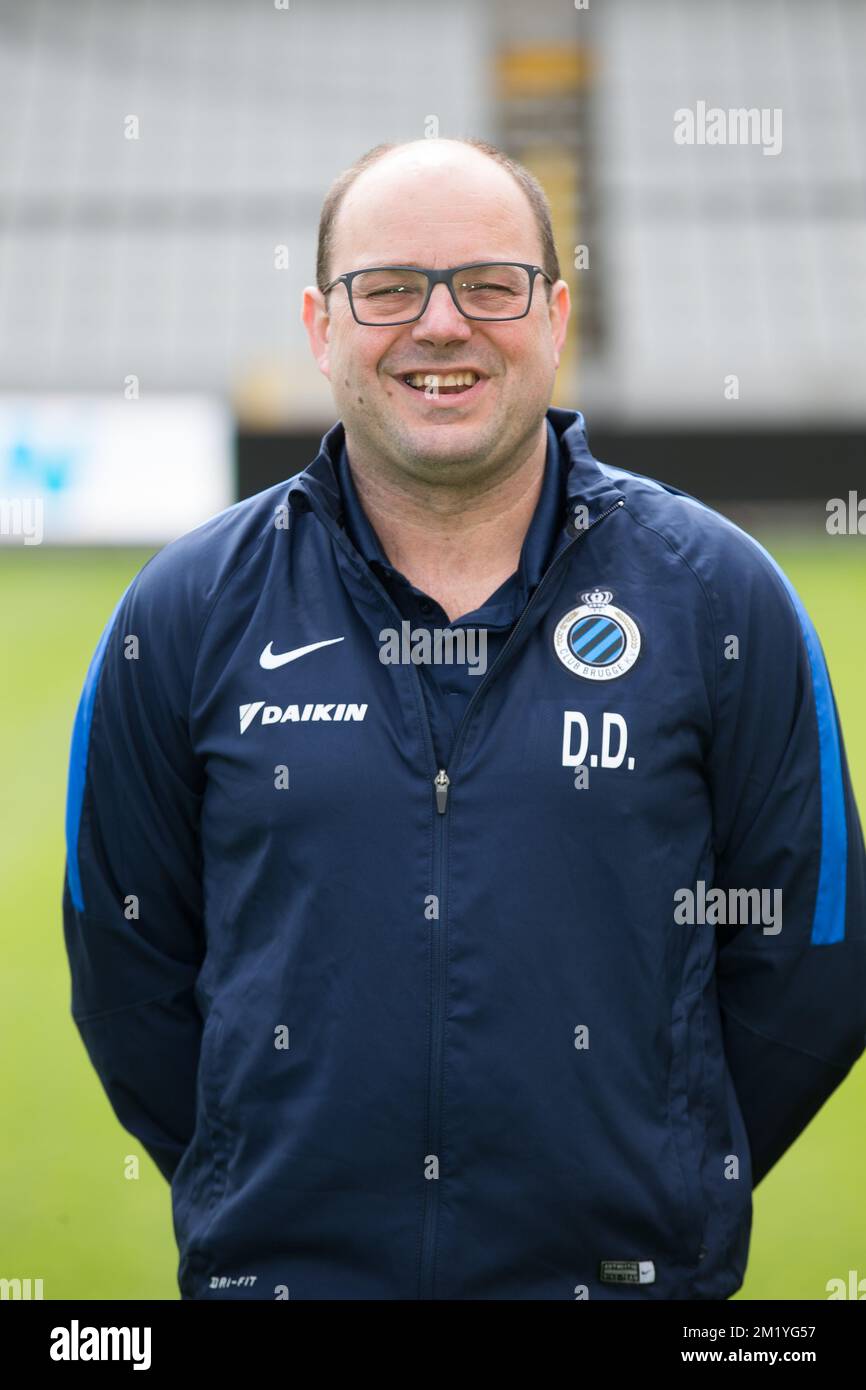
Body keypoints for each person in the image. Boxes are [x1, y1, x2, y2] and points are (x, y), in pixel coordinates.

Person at [62, 137, 866, 1301]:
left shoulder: (719, 597)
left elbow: (813, 958)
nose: (440, 325)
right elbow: (126, 967)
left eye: (489, 285)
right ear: (319, 327)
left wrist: (658, 1178)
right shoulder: (182, 610)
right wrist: (270, 1187)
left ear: (554, 317)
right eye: (388, 288)